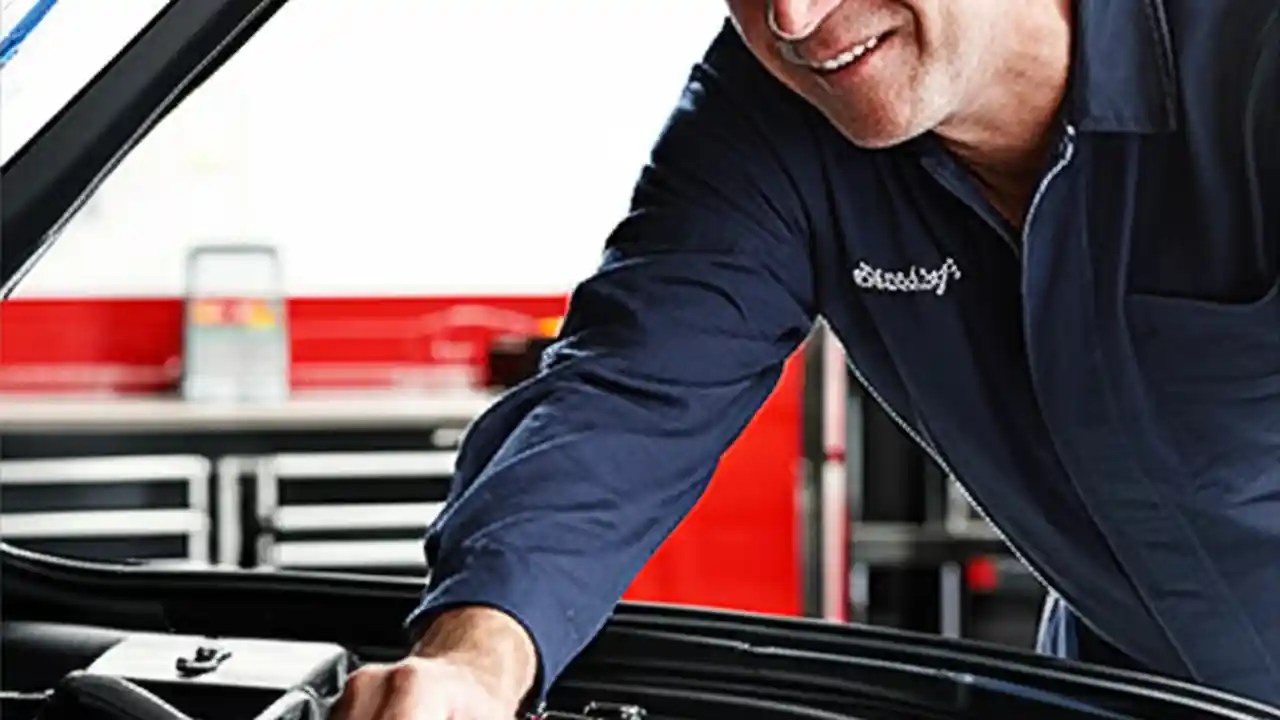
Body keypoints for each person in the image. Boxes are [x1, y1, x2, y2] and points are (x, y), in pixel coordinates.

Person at [332, 0, 1280, 716]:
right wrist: (474, 662)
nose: (793, 18)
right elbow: (624, 395)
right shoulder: (772, 120)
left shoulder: (1255, 57)